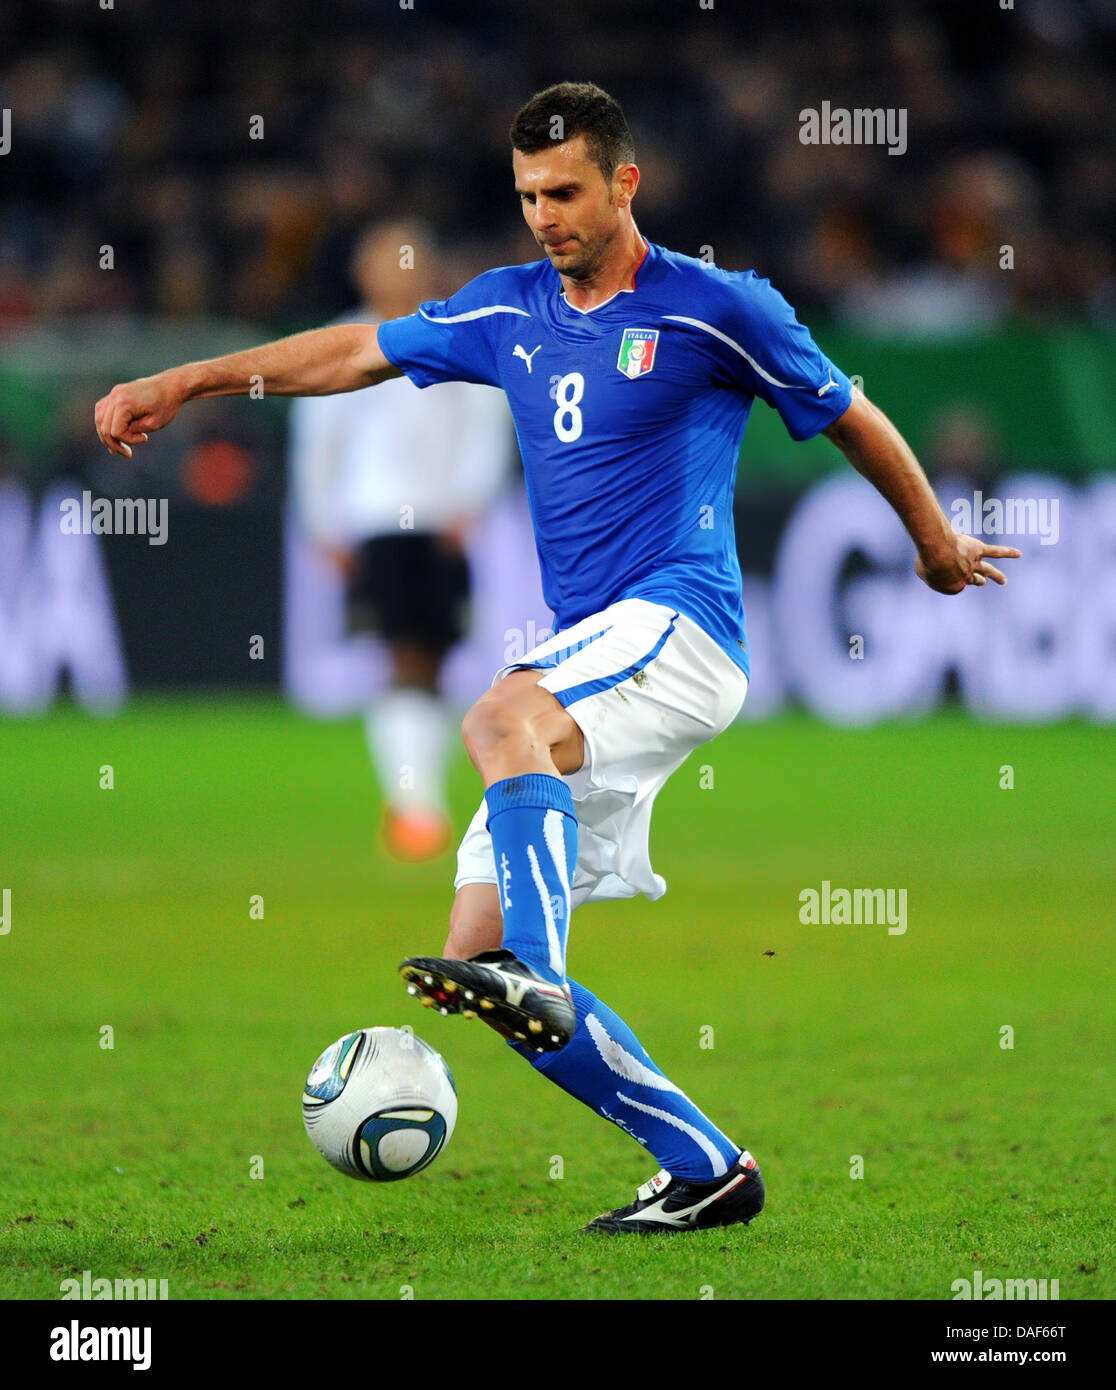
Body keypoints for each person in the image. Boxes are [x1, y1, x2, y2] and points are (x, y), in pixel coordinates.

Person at [94, 82, 1020, 1235]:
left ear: (625, 182)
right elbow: (354, 352)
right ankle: (706, 1165)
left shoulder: (717, 308)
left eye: (568, 191)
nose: (545, 215)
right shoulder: (510, 310)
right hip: (598, 650)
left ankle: (543, 964)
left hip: (681, 626)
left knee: (495, 721)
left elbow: (848, 412)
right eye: (529, 194)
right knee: (472, 958)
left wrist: (932, 539)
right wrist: (186, 380)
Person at [289, 220, 511, 860]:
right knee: (403, 655)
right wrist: (322, 523)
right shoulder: (343, 340)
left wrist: (470, 501)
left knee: (435, 658)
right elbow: (317, 445)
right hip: (377, 524)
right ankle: (417, 809)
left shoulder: (451, 334)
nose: (398, 274)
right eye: (385, 263)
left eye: (406, 262)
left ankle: (415, 798)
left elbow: (485, 419)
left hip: (442, 526)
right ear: (365, 274)